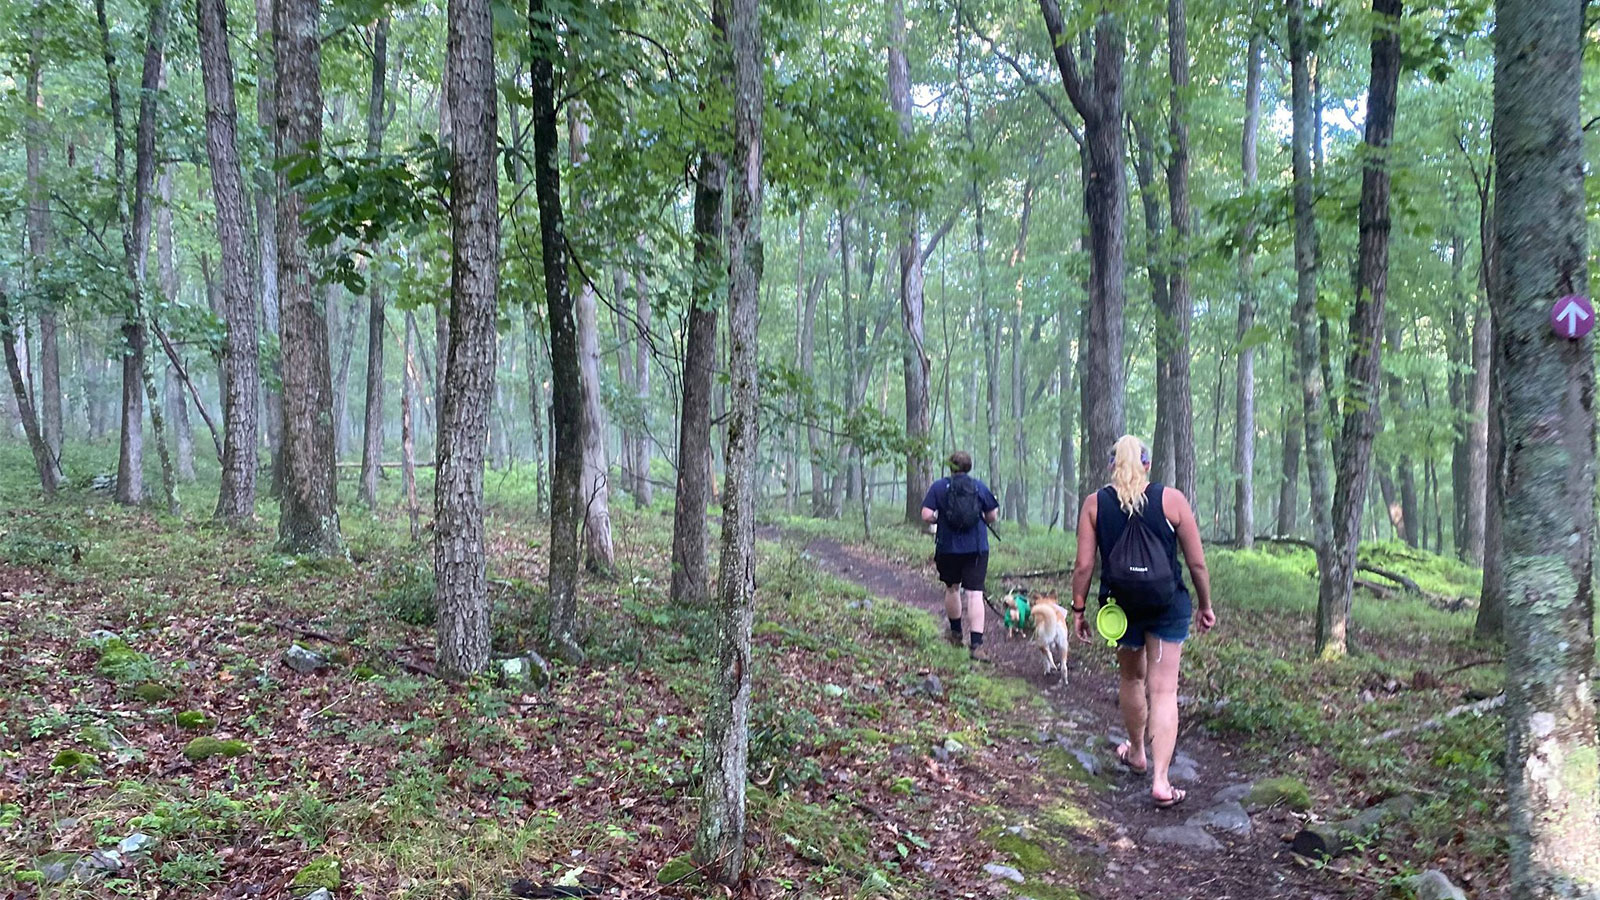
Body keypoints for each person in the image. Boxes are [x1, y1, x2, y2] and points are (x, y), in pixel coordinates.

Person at [1070, 435, 1215, 808]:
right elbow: (1197, 563)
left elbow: (1085, 565)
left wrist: (1079, 608)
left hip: (1120, 608)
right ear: (1148, 465)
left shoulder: (1095, 504)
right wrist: (1205, 604)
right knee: (1164, 691)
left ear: (1112, 466)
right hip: (1167, 605)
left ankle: (1136, 751)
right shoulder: (1171, 499)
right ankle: (1162, 781)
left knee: (1131, 678)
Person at [920, 451, 1001, 660]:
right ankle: (976, 645)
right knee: (975, 594)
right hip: (976, 547)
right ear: (969, 467)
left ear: (950, 467)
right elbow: (992, 514)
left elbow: (926, 514)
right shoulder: (978, 486)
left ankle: (956, 634)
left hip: (948, 548)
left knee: (952, 588)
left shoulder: (939, 486)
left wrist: (940, 519)